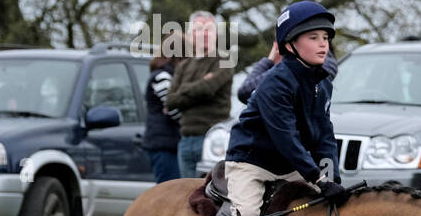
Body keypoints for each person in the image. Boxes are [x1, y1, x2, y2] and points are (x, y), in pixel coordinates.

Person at [205, 1, 347, 216]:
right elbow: (285, 138)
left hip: (291, 163)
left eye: (325, 36)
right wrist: (317, 176)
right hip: (251, 162)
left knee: (334, 207)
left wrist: (332, 177)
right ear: (289, 45)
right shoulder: (274, 83)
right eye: (313, 37)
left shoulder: (323, 81)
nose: (323, 43)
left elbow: (325, 134)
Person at [166, 11, 235, 178]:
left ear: (216, 34)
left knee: (211, 197)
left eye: (208, 29)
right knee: (185, 198)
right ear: (190, 34)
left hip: (213, 141)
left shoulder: (224, 61)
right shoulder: (183, 66)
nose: (204, 34)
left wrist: (183, 89)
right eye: (198, 29)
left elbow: (208, 89)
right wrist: (200, 84)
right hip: (185, 141)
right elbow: (170, 100)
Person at [238, 39, 338, 103]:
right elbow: (245, 92)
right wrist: (269, 61)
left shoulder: (312, 70)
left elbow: (245, 92)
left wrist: (270, 61)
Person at [141, 33, 183, 183]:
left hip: (166, 143)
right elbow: (173, 109)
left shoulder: (165, 75)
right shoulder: (162, 77)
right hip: (163, 145)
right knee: (170, 190)